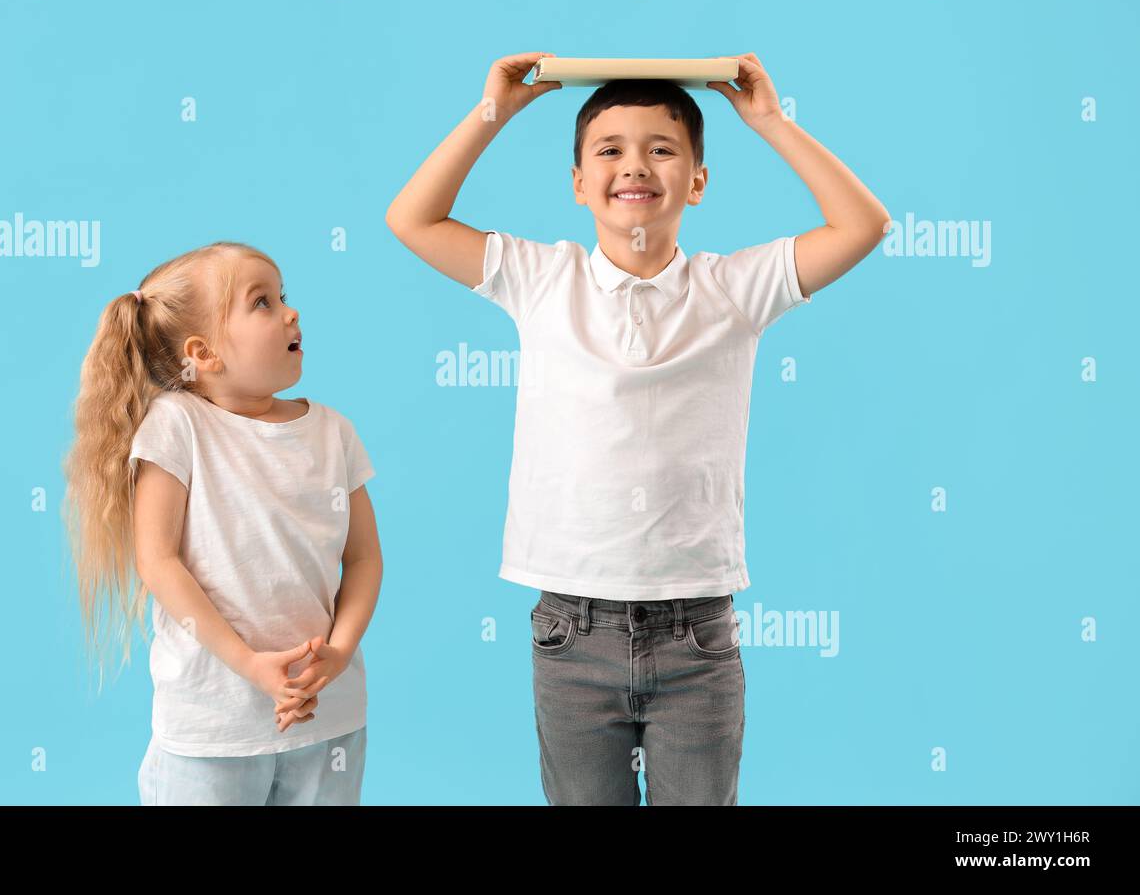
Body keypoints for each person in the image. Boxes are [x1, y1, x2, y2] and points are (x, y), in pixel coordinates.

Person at [385, 51, 889, 805]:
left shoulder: (733, 289)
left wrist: (770, 122)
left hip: (697, 634)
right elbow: (412, 218)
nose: (636, 166)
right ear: (579, 182)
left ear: (697, 181)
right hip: (571, 631)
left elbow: (864, 224)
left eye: (663, 150)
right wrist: (497, 110)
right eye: (610, 150)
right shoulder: (541, 279)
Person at [61, 241, 382, 804]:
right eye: (262, 302)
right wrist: (251, 666)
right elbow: (158, 562)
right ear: (203, 353)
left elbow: (363, 559)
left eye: (284, 295)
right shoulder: (177, 426)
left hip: (325, 721)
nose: (290, 311)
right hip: (214, 728)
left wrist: (339, 649)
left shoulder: (334, 432)